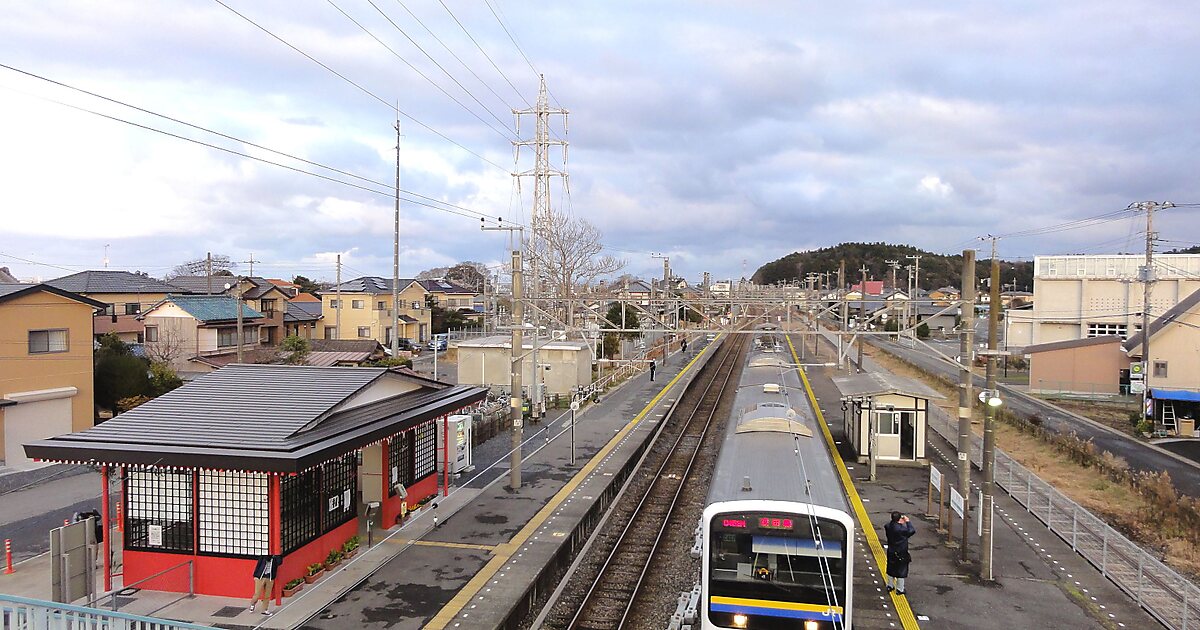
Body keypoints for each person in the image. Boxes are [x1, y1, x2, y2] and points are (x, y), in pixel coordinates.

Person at [884, 511, 915, 595]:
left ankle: (890, 585)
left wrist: (899, 523)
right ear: (899, 519)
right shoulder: (901, 530)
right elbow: (911, 531)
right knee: (901, 570)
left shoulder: (888, 526)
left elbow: (892, 525)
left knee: (890, 568)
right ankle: (900, 589)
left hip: (891, 550)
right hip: (901, 552)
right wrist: (907, 522)